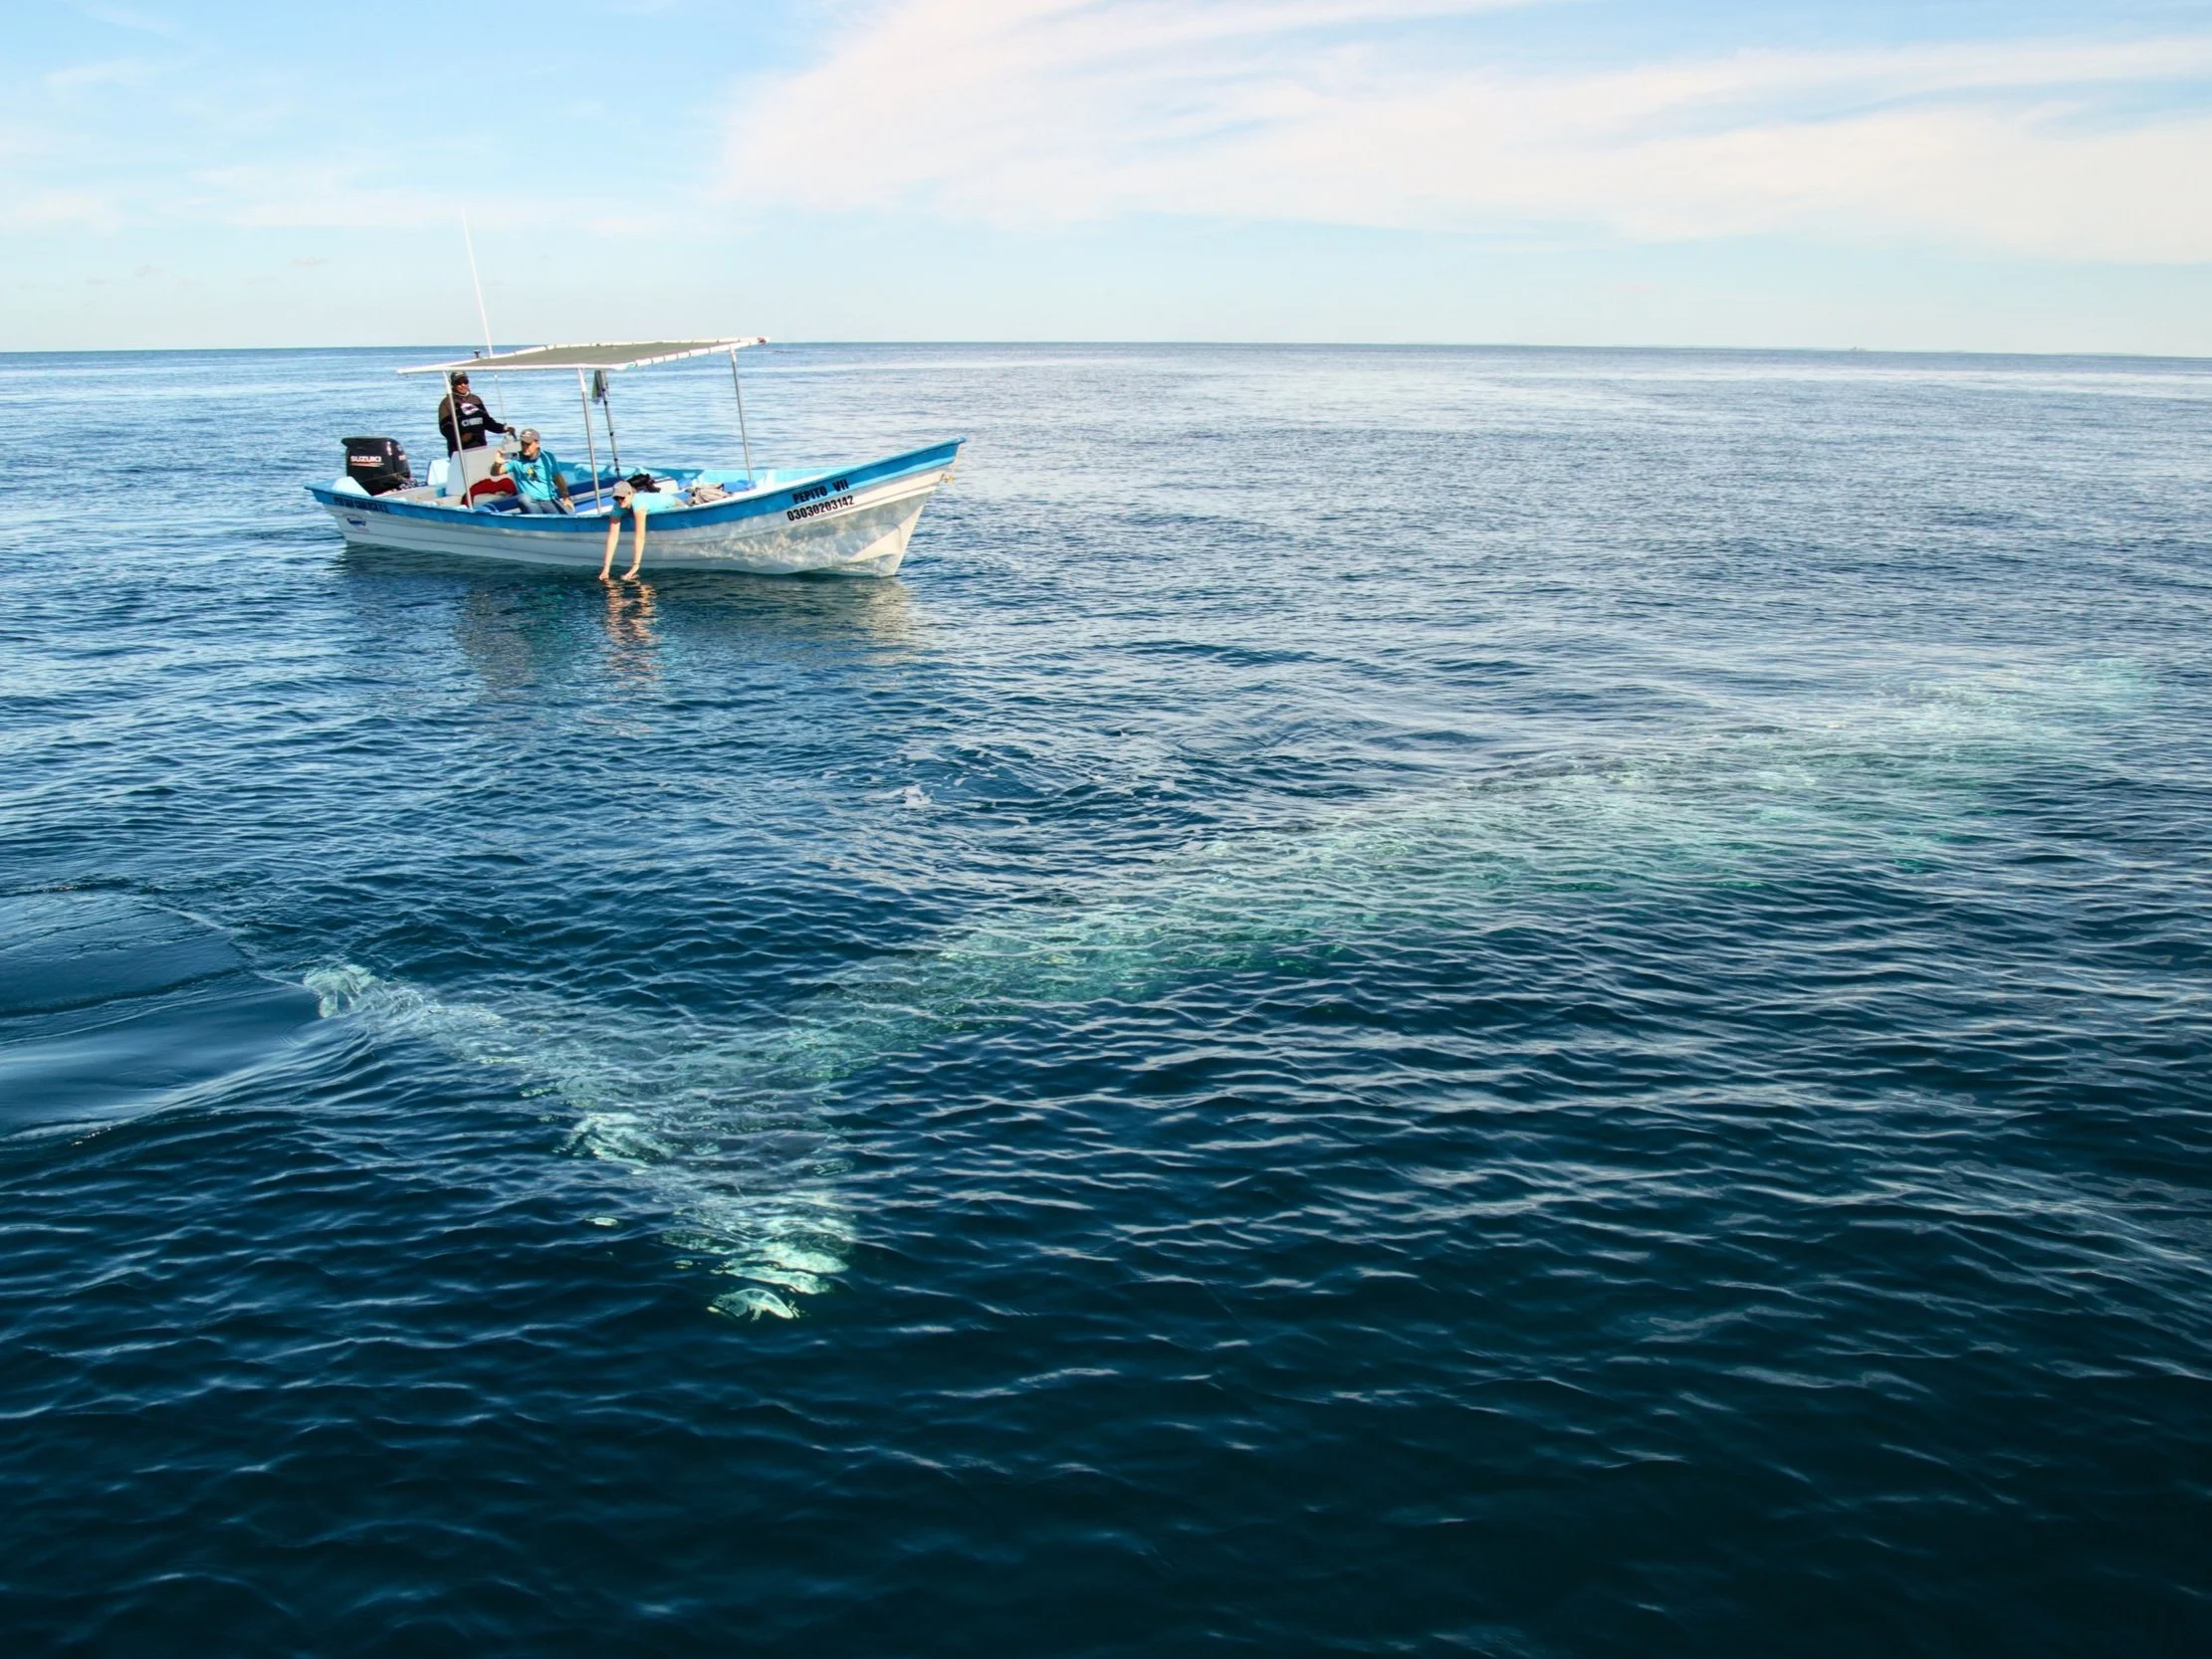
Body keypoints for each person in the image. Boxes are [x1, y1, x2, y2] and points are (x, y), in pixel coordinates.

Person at [599, 476, 681, 580]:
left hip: (674, 504)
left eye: (622, 497)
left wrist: (635, 566)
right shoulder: (617, 506)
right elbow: (613, 537)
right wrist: (606, 569)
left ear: (630, 494)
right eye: (616, 498)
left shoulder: (639, 504)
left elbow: (639, 536)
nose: (619, 500)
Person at [494, 428, 572, 516]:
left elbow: (558, 478)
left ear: (537, 443)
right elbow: (495, 472)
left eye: (528, 444)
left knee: (570, 517)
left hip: (548, 500)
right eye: (522, 444)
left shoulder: (548, 457)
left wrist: (566, 497)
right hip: (530, 502)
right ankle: (538, 520)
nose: (525, 447)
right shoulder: (516, 458)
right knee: (524, 498)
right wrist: (497, 463)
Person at [435, 371, 512, 454]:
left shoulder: (476, 400)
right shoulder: (446, 403)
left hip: (480, 446)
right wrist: (460, 437)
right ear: (453, 384)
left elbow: (487, 422)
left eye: (465, 382)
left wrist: (503, 428)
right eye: (458, 383)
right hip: (459, 451)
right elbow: (445, 427)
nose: (463, 385)